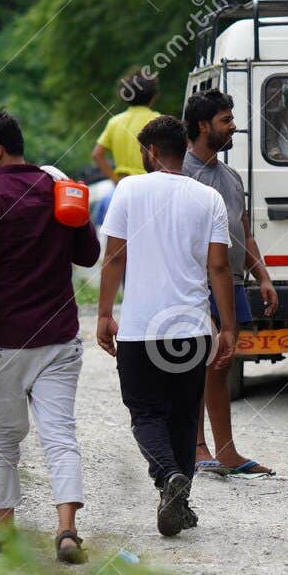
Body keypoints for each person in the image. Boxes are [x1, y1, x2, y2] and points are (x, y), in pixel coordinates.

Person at [0, 111, 99, 564]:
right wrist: (72, 203)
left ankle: (6, 531)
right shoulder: (58, 190)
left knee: (2, 437)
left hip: (4, 342)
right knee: (60, 435)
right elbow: (89, 254)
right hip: (59, 337)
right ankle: (67, 530)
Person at [96, 116, 235, 538]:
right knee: (181, 414)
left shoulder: (129, 189)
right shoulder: (208, 197)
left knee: (144, 412)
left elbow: (115, 257)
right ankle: (177, 498)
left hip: (141, 329)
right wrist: (227, 326)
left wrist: (104, 313)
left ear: (152, 151)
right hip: (191, 329)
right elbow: (218, 266)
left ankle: (168, 476)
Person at [182, 90, 277, 476]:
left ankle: (227, 451)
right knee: (191, 365)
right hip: (192, 283)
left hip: (231, 282)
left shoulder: (231, 176)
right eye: (225, 119)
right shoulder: (180, 174)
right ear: (202, 125)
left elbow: (244, 232)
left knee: (220, 365)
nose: (233, 125)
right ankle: (196, 447)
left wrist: (264, 276)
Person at [92, 70, 160, 184]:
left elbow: (97, 154)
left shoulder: (114, 121)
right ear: (153, 96)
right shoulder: (158, 120)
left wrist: (115, 180)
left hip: (123, 183)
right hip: (148, 183)